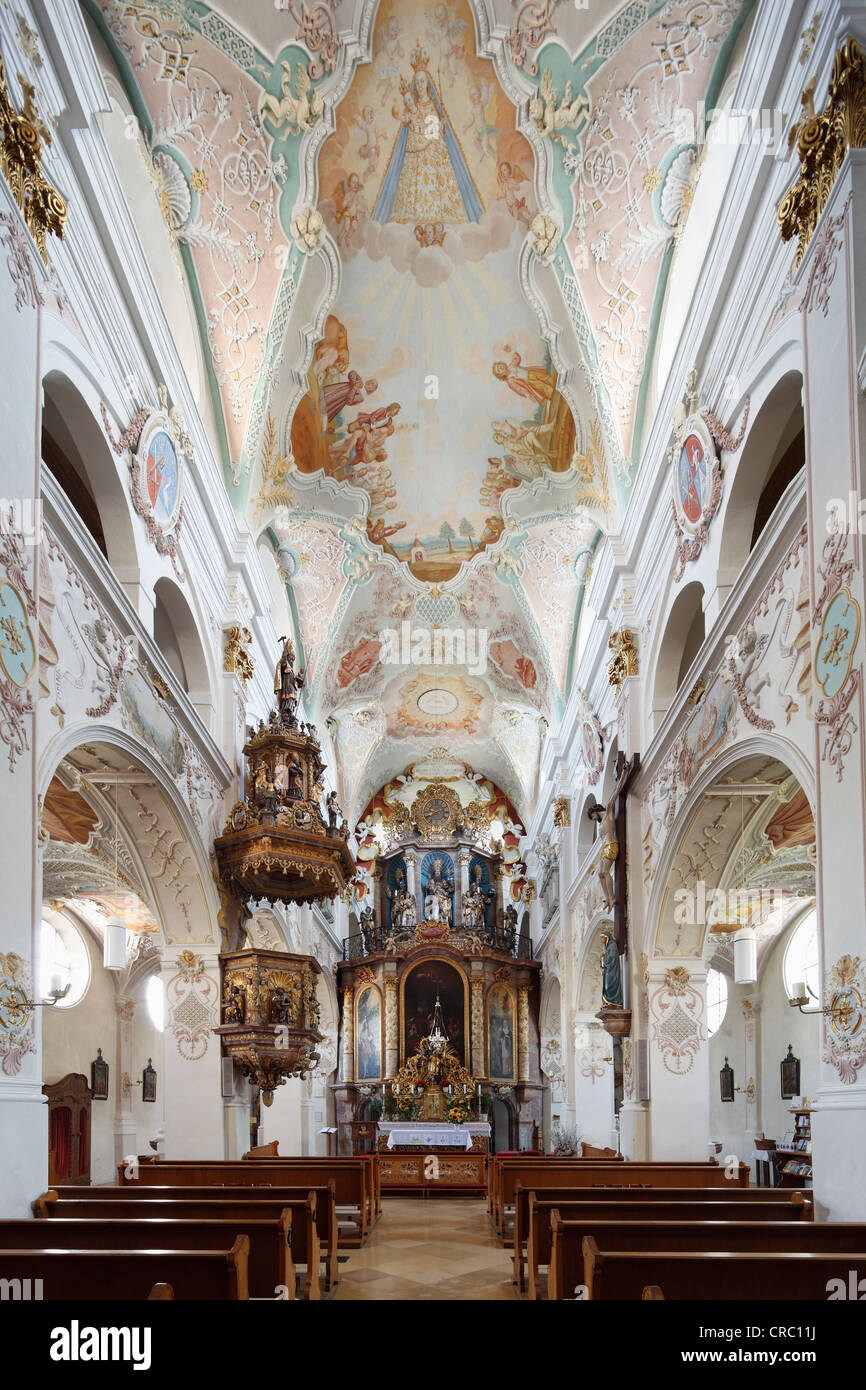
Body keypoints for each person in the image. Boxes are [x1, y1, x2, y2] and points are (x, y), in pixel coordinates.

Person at [600, 931, 623, 1009]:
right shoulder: (608, 947)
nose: (601, 940)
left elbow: (611, 959)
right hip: (608, 971)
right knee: (606, 987)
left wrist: (605, 958)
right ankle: (609, 1002)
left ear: (607, 937)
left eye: (602, 937)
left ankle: (613, 1002)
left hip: (612, 971)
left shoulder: (612, 946)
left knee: (609, 986)